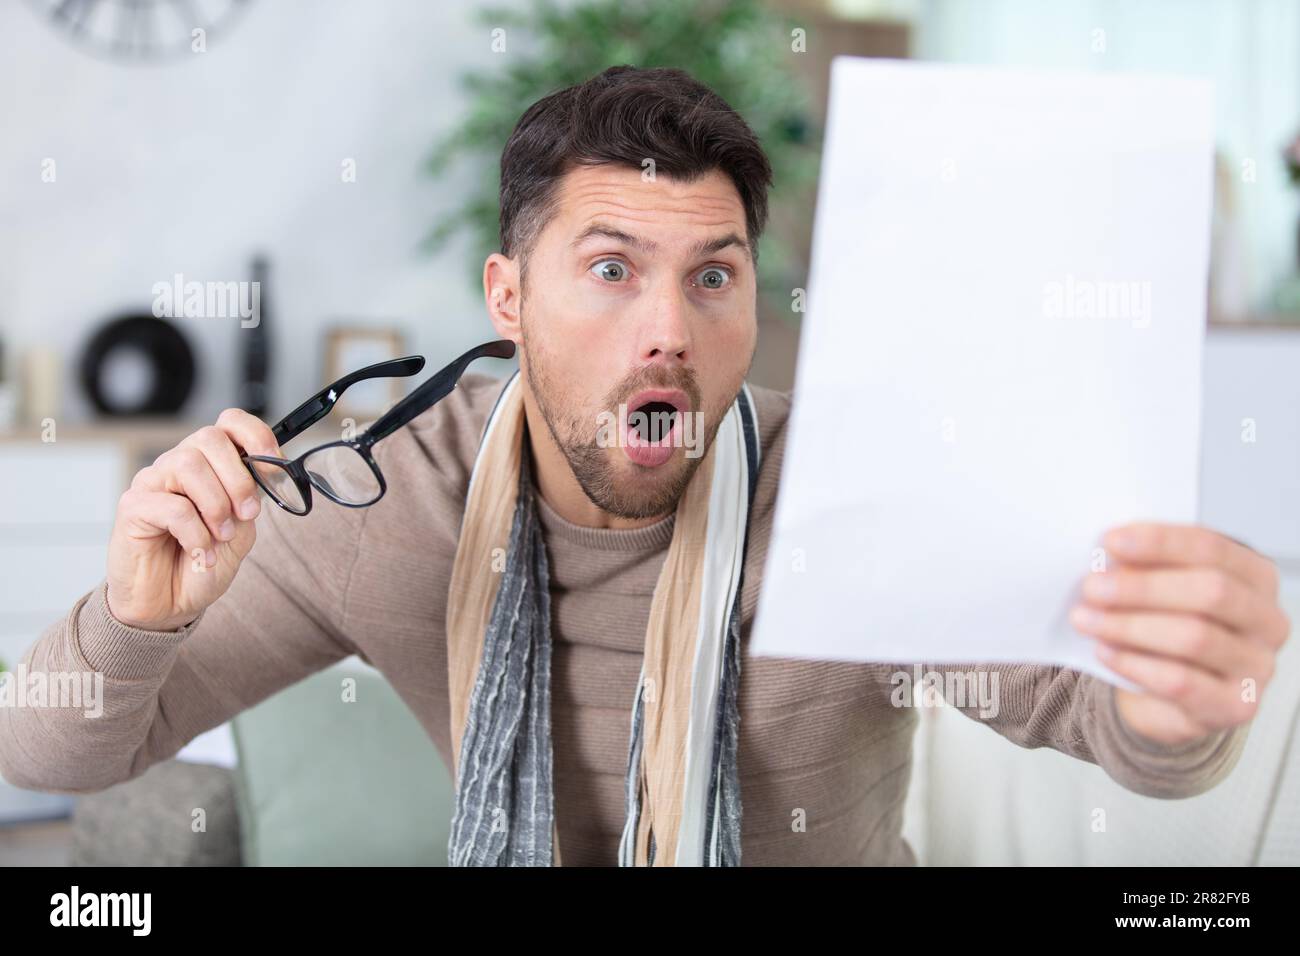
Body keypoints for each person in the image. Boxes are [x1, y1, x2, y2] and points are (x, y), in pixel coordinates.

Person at [0, 66, 1289, 866]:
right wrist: (133, 617)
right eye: (610, 269)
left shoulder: (853, 487)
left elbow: (1101, 720)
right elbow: (48, 760)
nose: (669, 328)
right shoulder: (383, 495)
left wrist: (1175, 699)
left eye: (712, 276)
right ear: (507, 295)